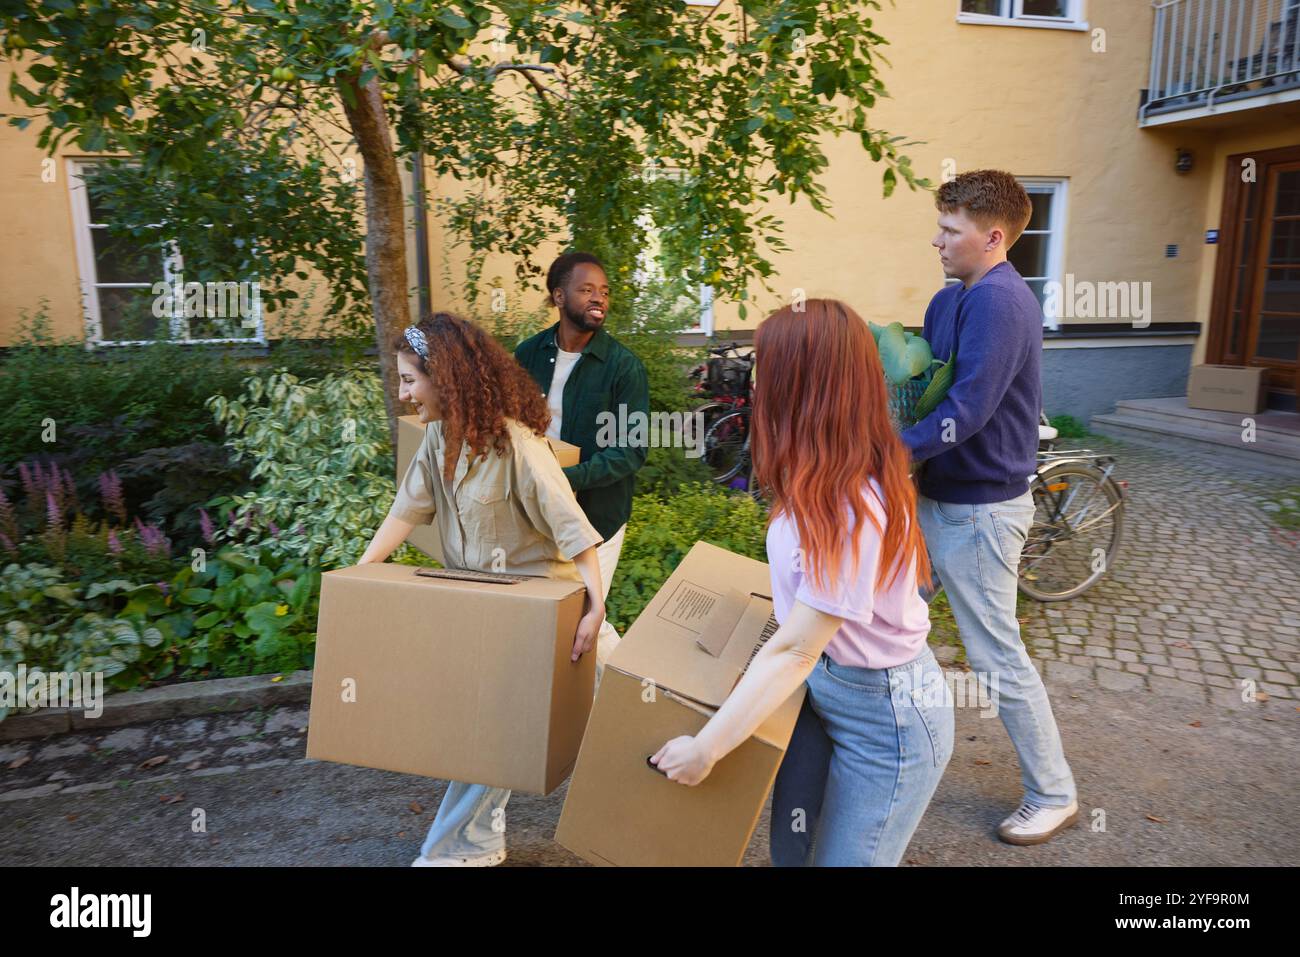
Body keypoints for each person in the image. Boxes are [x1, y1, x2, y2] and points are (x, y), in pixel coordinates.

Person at [651, 299, 953, 867]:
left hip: (885, 715)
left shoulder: (850, 499)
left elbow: (796, 648)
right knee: (795, 854)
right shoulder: (824, 468)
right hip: (829, 689)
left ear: (805, 384)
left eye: (769, 371)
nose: (757, 386)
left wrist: (705, 749)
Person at [358, 311, 606, 867]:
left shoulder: (518, 445)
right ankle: (469, 845)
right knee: (491, 733)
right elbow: (407, 511)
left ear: (443, 377)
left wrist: (595, 608)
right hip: (482, 612)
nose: (402, 393)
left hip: (542, 615)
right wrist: (360, 573)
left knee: (628, 716)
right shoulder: (438, 441)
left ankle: (459, 850)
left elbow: (573, 529)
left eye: (407, 379)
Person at [900, 169, 1079, 845]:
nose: (937, 241)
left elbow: (967, 411)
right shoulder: (952, 299)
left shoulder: (1003, 303)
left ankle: (1054, 791)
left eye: (951, 230)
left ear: (993, 236)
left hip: (980, 512)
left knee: (997, 657)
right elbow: (924, 383)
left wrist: (890, 449)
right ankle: (896, 751)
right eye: (939, 226)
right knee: (893, 622)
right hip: (936, 497)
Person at [514, 252, 650, 678]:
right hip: (537, 514)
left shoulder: (623, 367)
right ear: (559, 295)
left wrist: (564, 479)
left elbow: (631, 450)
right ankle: (581, 715)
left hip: (597, 518)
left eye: (605, 292)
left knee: (584, 618)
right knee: (550, 619)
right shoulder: (528, 354)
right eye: (587, 289)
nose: (599, 299)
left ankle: (637, 698)